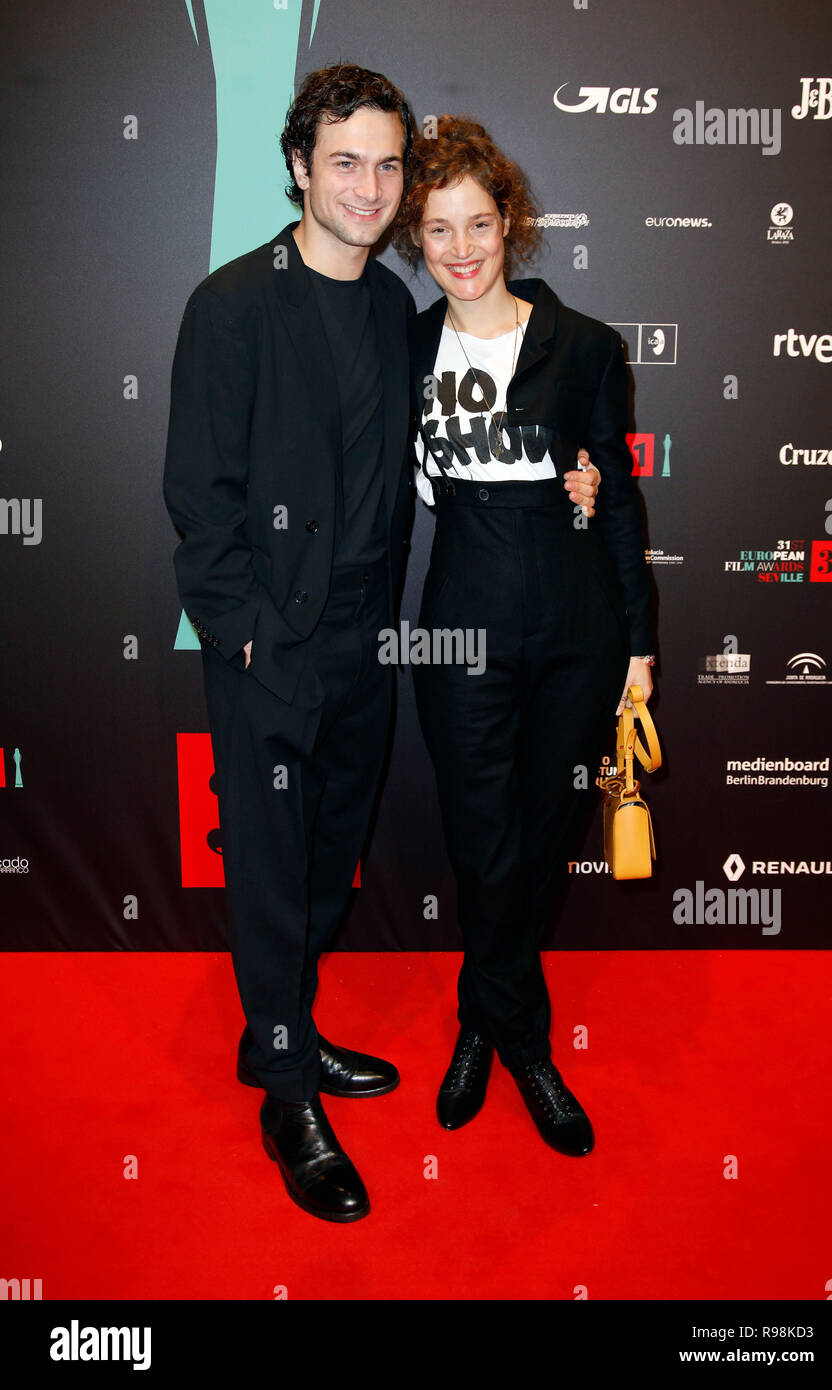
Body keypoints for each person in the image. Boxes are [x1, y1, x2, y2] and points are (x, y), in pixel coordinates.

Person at [162, 63, 421, 1224]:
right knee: (270, 870)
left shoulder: (389, 310)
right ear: (299, 170)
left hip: (368, 634)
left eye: (388, 163)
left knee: (325, 856)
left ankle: (290, 1033)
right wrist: (253, 641)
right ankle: (283, 1093)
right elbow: (199, 502)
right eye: (347, 162)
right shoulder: (230, 306)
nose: (370, 187)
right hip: (273, 642)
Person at [392, 116, 655, 1157]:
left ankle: (483, 1019)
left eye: (479, 224)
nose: (461, 249)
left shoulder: (585, 346)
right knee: (478, 837)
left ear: (513, 225)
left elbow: (620, 498)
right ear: (417, 239)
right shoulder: (405, 343)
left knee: (542, 839)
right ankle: (522, 1039)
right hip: (460, 622)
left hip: (575, 624)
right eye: (439, 229)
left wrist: (638, 641)